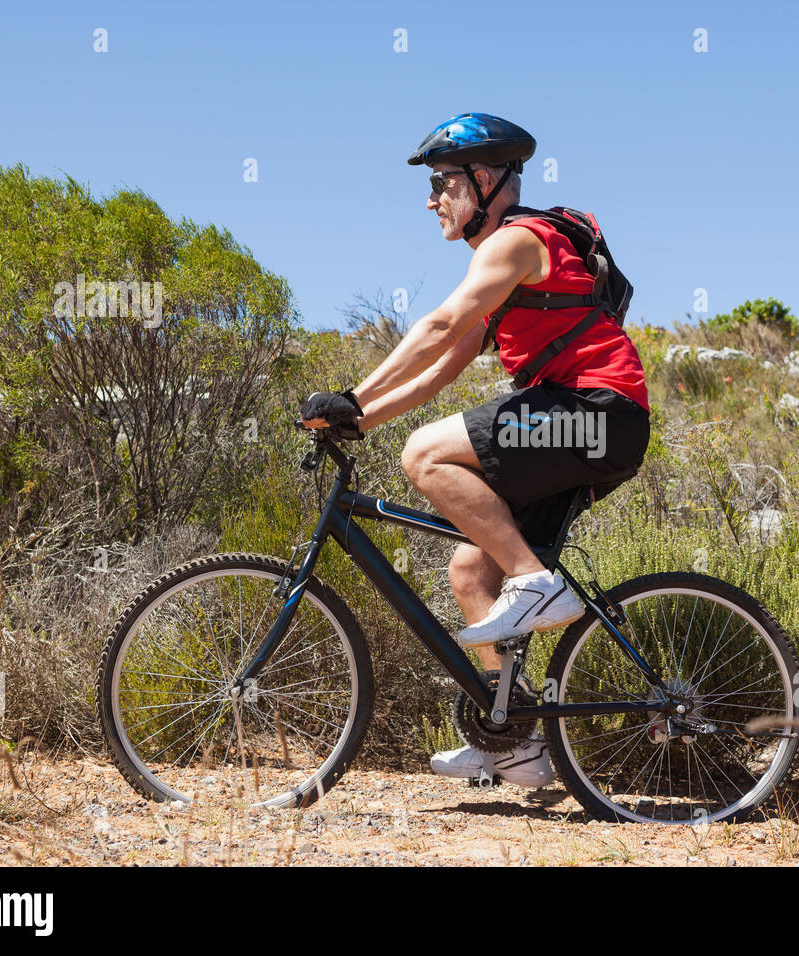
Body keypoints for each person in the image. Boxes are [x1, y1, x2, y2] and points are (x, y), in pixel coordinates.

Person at [300, 113, 650, 786]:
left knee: (425, 456)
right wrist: (356, 419)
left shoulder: (518, 241)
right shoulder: (502, 266)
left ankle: (538, 583)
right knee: (470, 572)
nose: (432, 200)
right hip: (582, 426)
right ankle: (512, 739)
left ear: (483, 182)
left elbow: (437, 324)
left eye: (441, 183)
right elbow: (439, 369)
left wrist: (350, 391)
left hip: (596, 414)